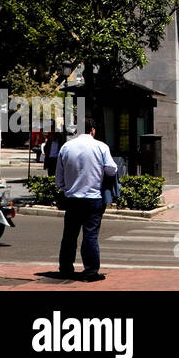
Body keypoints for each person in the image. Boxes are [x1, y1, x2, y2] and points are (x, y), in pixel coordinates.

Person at [54, 117, 118, 281]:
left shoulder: (66, 147)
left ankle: (66, 268)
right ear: (93, 130)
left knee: (69, 235)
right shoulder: (101, 147)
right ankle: (90, 271)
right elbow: (111, 169)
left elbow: (59, 179)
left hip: (72, 198)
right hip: (93, 197)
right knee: (90, 235)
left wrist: (66, 188)